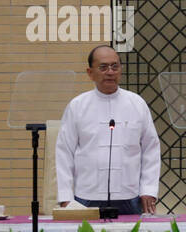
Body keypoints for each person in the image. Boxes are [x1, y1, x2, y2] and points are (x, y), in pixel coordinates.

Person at [55, 45, 161, 215]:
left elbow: (151, 149)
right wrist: (65, 196)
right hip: (86, 196)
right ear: (90, 72)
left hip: (130, 196)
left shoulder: (137, 103)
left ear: (120, 70)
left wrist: (148, 189)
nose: (110, 72)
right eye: (103, 67)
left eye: (114, 66)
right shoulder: (77, 106)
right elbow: (64, 153)